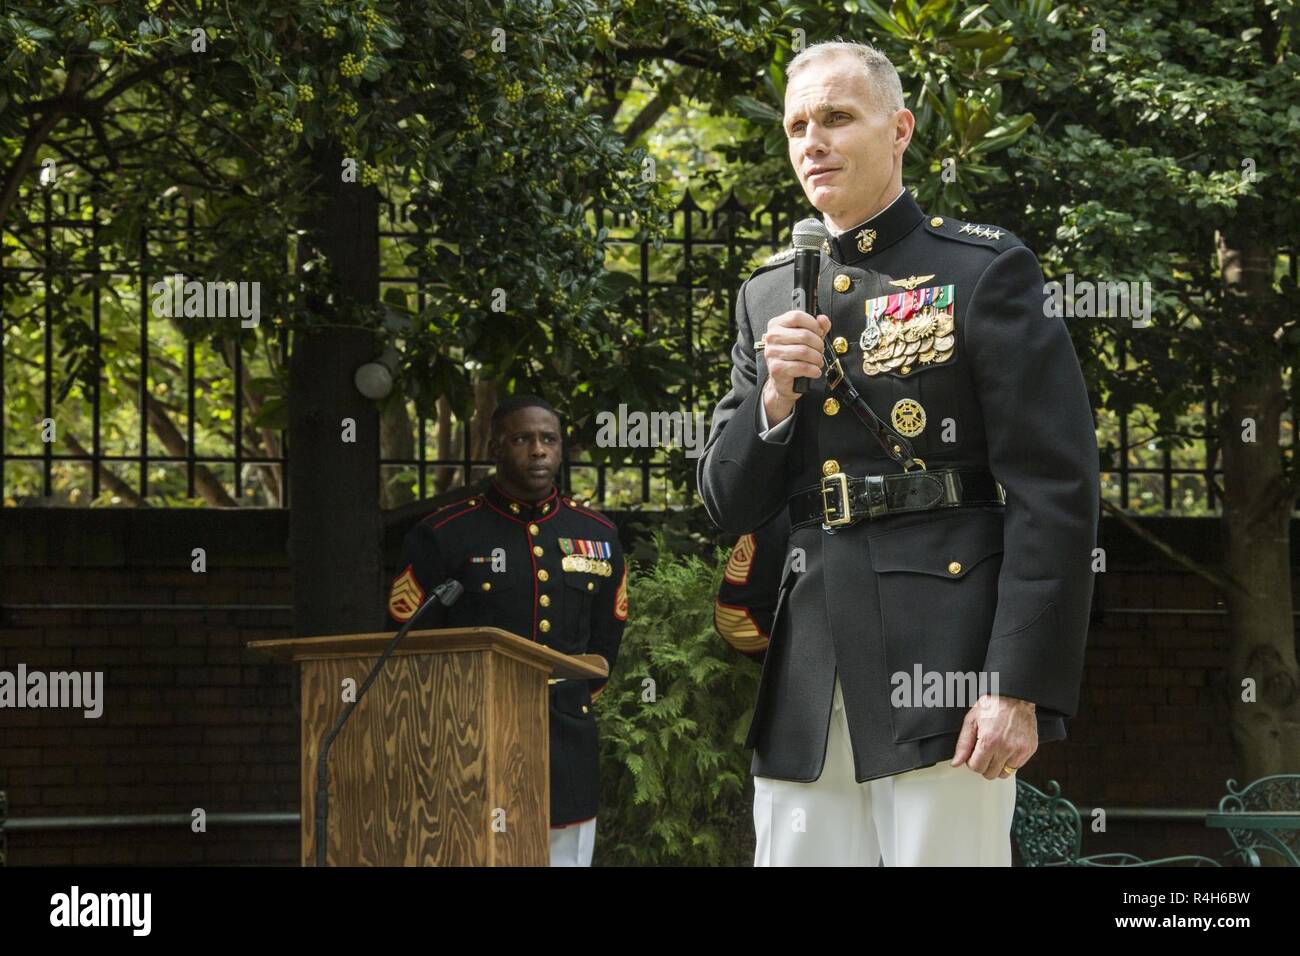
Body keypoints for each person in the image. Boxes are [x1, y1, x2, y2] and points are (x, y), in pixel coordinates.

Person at [696, 40, 1100, 866]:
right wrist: (773, 397)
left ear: (900, 129)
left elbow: (1053, 492)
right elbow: (727, 503)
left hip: (944, 667)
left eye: (837, 118)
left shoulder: (982, 271)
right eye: (797, 125)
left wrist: (1013, 684)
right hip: (810, 671)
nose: (813, 141)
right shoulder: (768, 294)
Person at [385, 395, 628, 866]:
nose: (538, 451)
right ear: (495, 447)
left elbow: (606, 639)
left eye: (548, 439)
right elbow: (408, 645)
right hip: (471, 740)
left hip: (565, 741)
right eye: (522, 439)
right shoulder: (446, 535)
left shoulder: (597, 534)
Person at [713, 509, 791, 664]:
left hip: (826, 675)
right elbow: (736, 618)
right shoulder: (785, 508)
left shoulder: (784, 505)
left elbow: (736, 619)